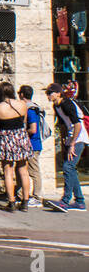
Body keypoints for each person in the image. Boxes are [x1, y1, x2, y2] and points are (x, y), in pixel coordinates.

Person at [0, 82, 33, 212]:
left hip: (7, 137)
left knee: (7, 171)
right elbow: (24, 122)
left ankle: (11, 201)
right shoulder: (22, 104)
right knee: (23, 170)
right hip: (21, 136)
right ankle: (25, 201)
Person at [45, 83, 87, 211]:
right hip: (70, 138)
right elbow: (63, 124)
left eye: (50, 93)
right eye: (47, 93)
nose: (48, 95)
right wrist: (65, 142)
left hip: (79, 137)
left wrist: (73, 144)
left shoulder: (67, 104)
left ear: (58, 93)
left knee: (67, 167)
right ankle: (79, 201)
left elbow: (77, 125)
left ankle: (65, 200)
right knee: (71, 169)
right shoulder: (56, 106)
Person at [20, 85, 46, 210]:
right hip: (33, 144)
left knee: (33, 171)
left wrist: (22, 132)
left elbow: (33, 128)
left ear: (22, 95)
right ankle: (23, 194)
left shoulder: (30, 110)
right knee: (25, 169)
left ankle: (37, 197)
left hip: (33, 144)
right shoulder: (33, 108)